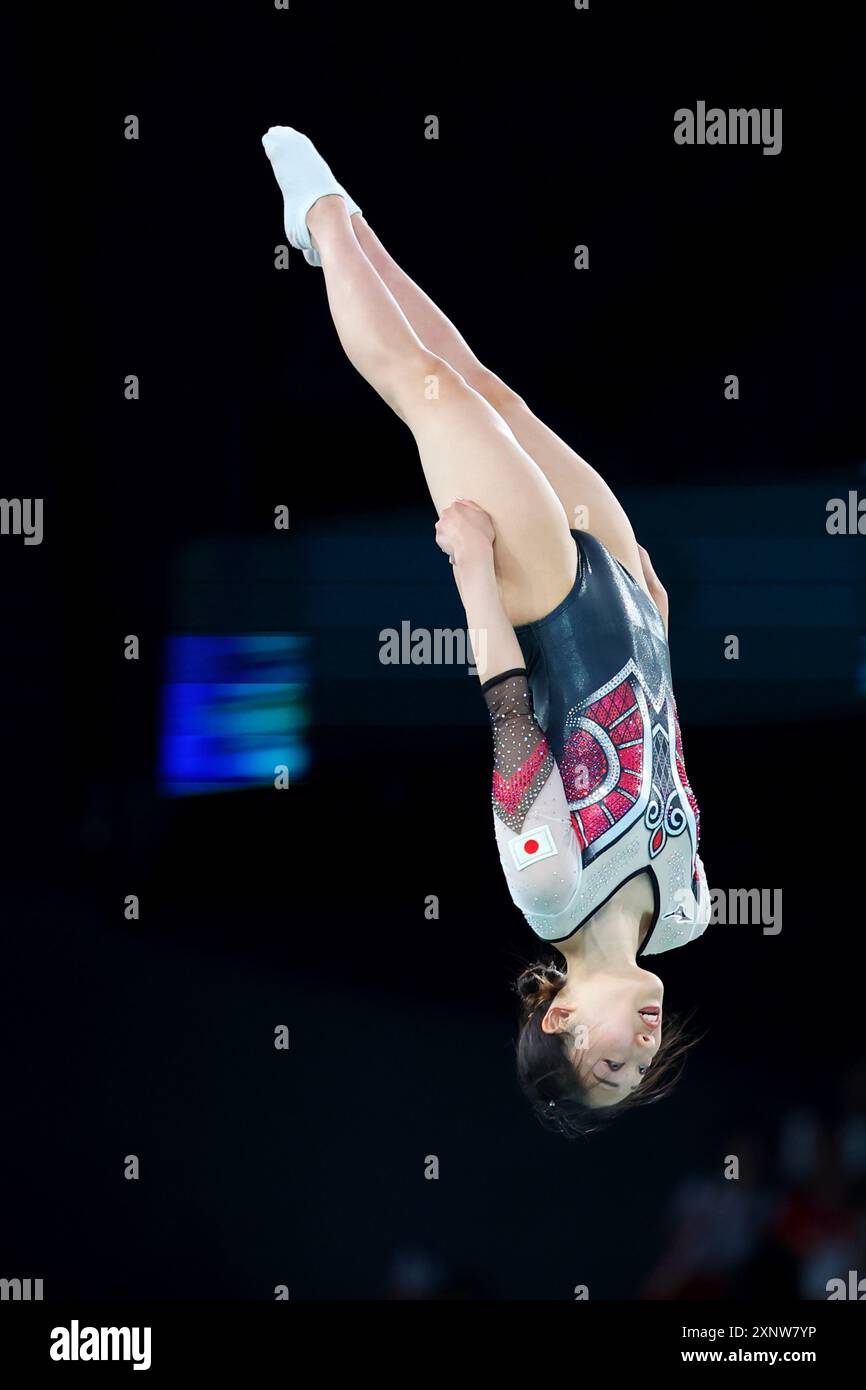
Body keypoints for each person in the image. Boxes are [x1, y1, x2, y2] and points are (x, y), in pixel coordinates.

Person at [262, 127, 711, 1135]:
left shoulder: (547, 889)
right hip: (626, 612)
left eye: (605, 1059)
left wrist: (471, 573)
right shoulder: (687, 913)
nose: (638, 1042)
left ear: (557, 1014)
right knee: (488, 391)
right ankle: (352, 232)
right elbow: (661, 760)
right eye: (642, 1063)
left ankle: (321, 218)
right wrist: (660, 639)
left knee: (426, 394)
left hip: (543, 605)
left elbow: (512, 722)